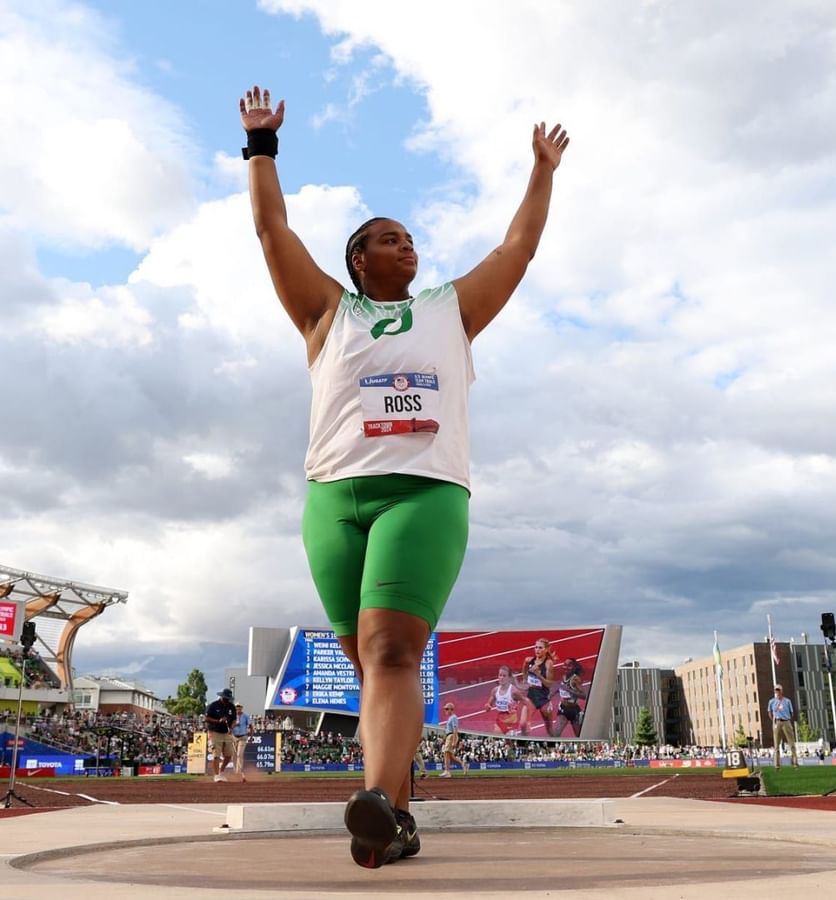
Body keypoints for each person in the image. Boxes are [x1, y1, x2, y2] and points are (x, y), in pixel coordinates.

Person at [240, 83, 569, 868]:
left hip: (421, 493)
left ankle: (378, 803)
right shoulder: (327, 312)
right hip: (334, 499)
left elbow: (514, 250)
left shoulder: (450, 309)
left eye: (412, 239)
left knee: (390, 652)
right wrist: (260, 145)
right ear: (359, 259)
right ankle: (401, 815)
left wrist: (543, 171)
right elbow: (269, 229)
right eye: (391, 239)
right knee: (370, 668)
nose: (409, 247)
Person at [520, 638, 559, 737]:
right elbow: (524, 667)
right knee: (523, 724)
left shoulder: (548, 664)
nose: (537, 650)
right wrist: (525, 679)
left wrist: (538, 675)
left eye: (540, 648)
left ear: (546, 649)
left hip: (543, 699)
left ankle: (556, 745)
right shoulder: (529, 660)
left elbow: (549, 684)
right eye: (536, 647)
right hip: (531, 697)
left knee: (549, 729)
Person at [204, 688, 237, 783]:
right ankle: (217, 775)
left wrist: (232, 727)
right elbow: (206, 718)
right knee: (216, 755)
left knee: (229, 755)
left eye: (228, 698)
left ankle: (221, 771)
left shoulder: (231, 707)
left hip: (227, 732)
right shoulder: (213, 705)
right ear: (222, 696)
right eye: (226, 698)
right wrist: (218, 721)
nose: (227, 700)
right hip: (215, 732)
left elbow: (234, 719)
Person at [549, 659, 588, 738]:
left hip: (574, 710)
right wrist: (549, 696)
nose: (566, 667)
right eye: (564, 665)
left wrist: (569, 690)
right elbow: (560, 688)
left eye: (569, 665)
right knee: (556, 734)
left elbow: (584, 696)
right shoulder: (563, 676)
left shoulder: (575, 679)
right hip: (563, 709)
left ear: (573, 667)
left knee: (579, 735)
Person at [767, 686, 799, 767]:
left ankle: (795, 762)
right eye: (776, 690)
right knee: (776, 745)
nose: (777, 692)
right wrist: (774, 721)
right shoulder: (772, 701)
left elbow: (791, 712)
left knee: (791, 743)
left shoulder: (787, 701)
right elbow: (769, 712)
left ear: (781, 691)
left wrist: (787, 719)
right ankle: (777, 764)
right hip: (777, 722)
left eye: (778, 690)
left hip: (786, 721)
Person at [439, 702, 464, 777]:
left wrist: (454, 741)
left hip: (451, 736)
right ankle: (463, 764)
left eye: (447, 709)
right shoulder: (451, 718)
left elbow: (455, 729)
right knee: (450, 756)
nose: (445, 711)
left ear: (451, 709)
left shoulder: (453, 717)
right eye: (445, 709)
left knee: (446, 753)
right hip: (449, 736)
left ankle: (447, 771)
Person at [229, 704, 252, 783]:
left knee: (239, 754)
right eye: (236, 707)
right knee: (234, 755)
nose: (238, 709)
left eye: (239, 707)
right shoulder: (232, 716)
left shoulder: (245, 716)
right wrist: (233, 726)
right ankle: (236, 771)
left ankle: (239, 772)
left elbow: (251, 726)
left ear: (241, 708)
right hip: (234, 737)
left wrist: (251, 736)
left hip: (243, 737)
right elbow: (230, 727)